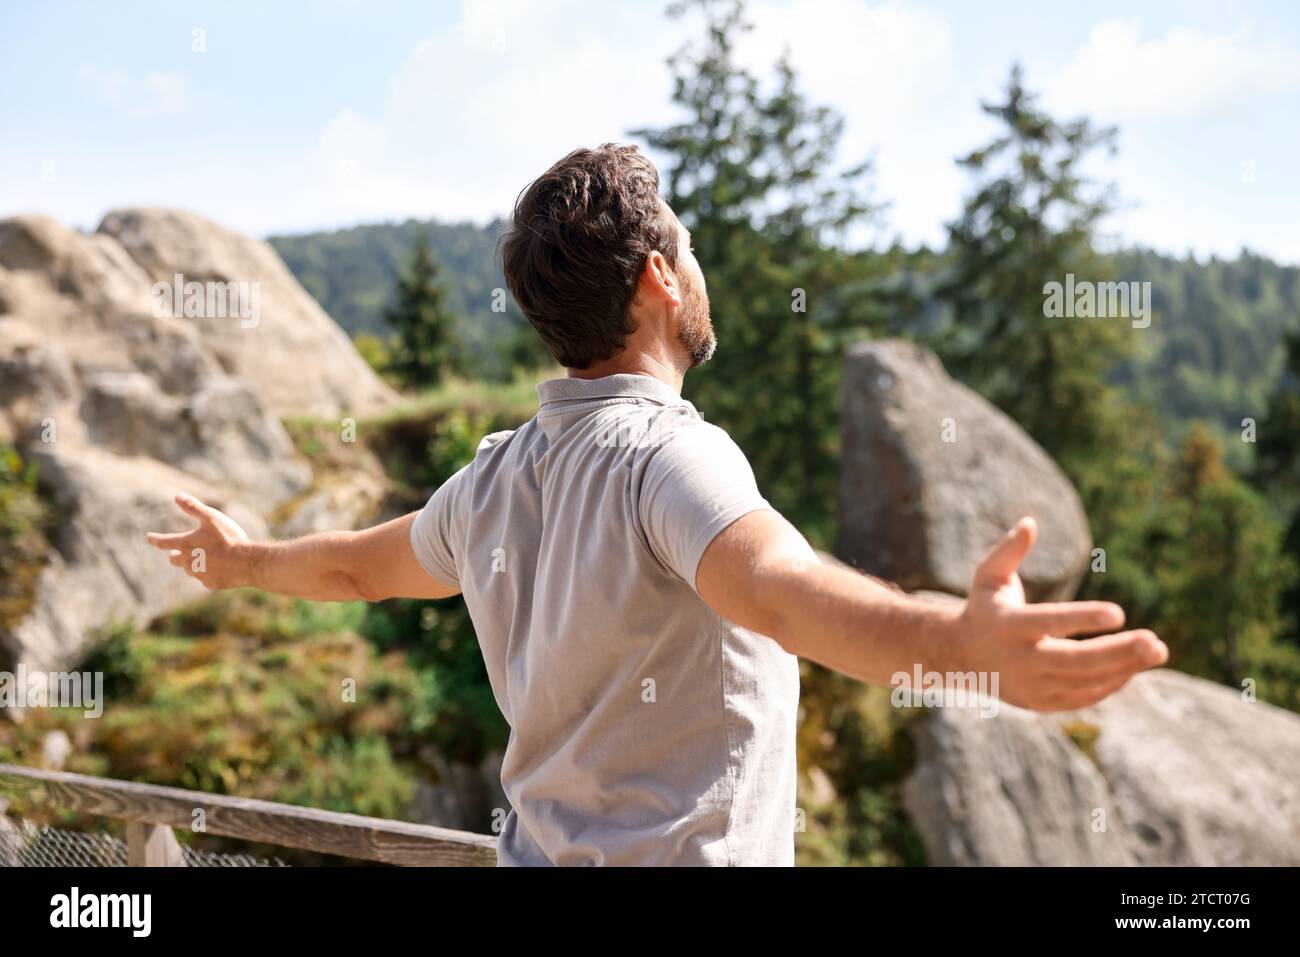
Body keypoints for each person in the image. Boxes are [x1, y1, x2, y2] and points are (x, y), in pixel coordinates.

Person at [146, 143, 1167, 866]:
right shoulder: (673, 460)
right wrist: (960, 647)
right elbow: (782, 595)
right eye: (690, 249)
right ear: (658, 281)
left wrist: (240, 562)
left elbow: (353, 572)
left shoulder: (493, 478)